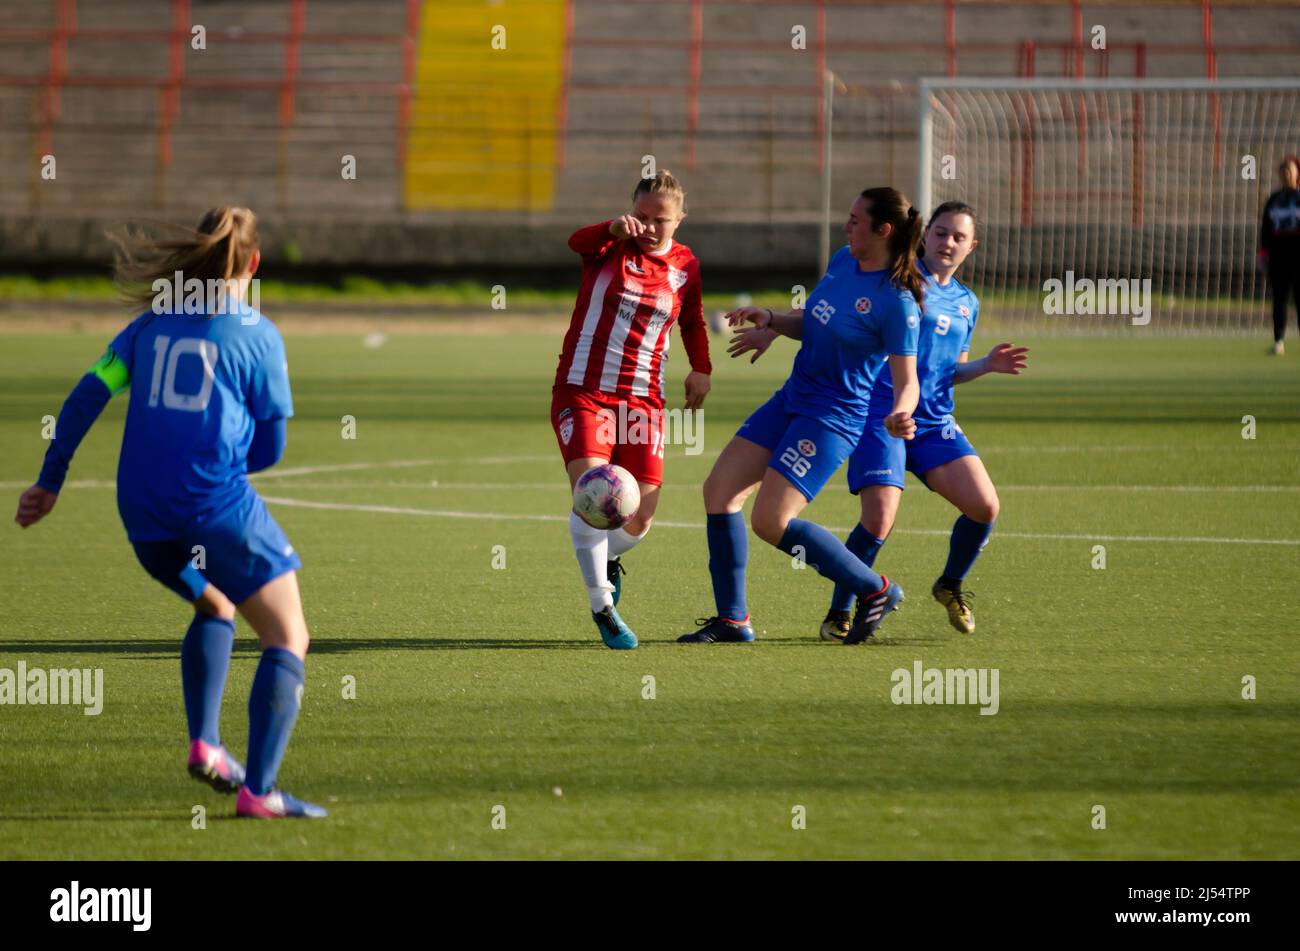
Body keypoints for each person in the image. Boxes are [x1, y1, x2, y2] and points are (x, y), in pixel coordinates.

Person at [13, 207, 326, 818]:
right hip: (214, 505)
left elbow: (86, 395)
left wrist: (49, 482)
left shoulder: (148, 325)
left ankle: (207, 743)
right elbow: (272, 447)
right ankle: (259, 793)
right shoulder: (257, 333)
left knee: (214, 602)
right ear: (254, 264)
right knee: (289, 636)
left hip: (141, 513)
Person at [732, 201, 1028, 638]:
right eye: (941, 232)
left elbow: (948, 373)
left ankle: (950, 584)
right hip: (879, 414)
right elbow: (828, 316)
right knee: (879, 519)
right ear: (925, 235)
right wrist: (774, 327)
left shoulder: (967, 303)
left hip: (932, 421)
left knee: (985, 507)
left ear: (972, 246)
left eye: (958, 237)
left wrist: (985, 365)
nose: (948, 242)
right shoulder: (900, 284)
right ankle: (842, 610)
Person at [680, 187, 923, 646]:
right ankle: (733, 621)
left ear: (883, 230)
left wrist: (901, 414)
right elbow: (815, 318)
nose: (846, 226)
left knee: (771, 521)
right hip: (792, 398)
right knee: (719, 490)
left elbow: (907, 381)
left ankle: (877, 590)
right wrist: (771, 321)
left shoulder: (898, 303)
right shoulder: (842, 260)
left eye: (855, 220)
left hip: (831, 418)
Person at [551, 171, 712, 649]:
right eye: (641, 216)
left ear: (679, 219)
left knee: (638, 517)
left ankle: (608, 559)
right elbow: (575, 239)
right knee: (594, 494)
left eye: (659, 219)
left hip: (642, 400)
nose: (648, 226)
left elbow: (694, 321)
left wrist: (701, 368)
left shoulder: (685, 266)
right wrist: (611, 229)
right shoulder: (608, 247)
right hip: (584, 391)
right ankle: (603, 604)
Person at [1261, 155, 1300, 355]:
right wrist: (1264, 255)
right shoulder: (1274, 200)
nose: (1285, 172)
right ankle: (1279, 341)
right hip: (1279, 259)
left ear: (1297, 173)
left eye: (1289, 169)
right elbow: (1266, 231)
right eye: (1283, 169)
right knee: (1279, 300)